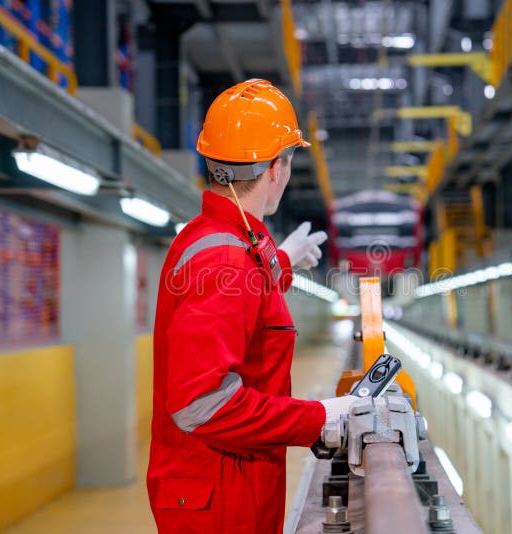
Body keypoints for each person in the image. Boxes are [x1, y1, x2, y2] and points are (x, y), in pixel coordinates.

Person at [147, 79, 358, 533]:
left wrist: (282, 259)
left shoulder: (213, 237)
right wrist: (318, 418)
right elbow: (199, 405)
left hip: (226, 485)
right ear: (277, 169)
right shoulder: (225, 255)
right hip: (222, 500)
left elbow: (241, 294)